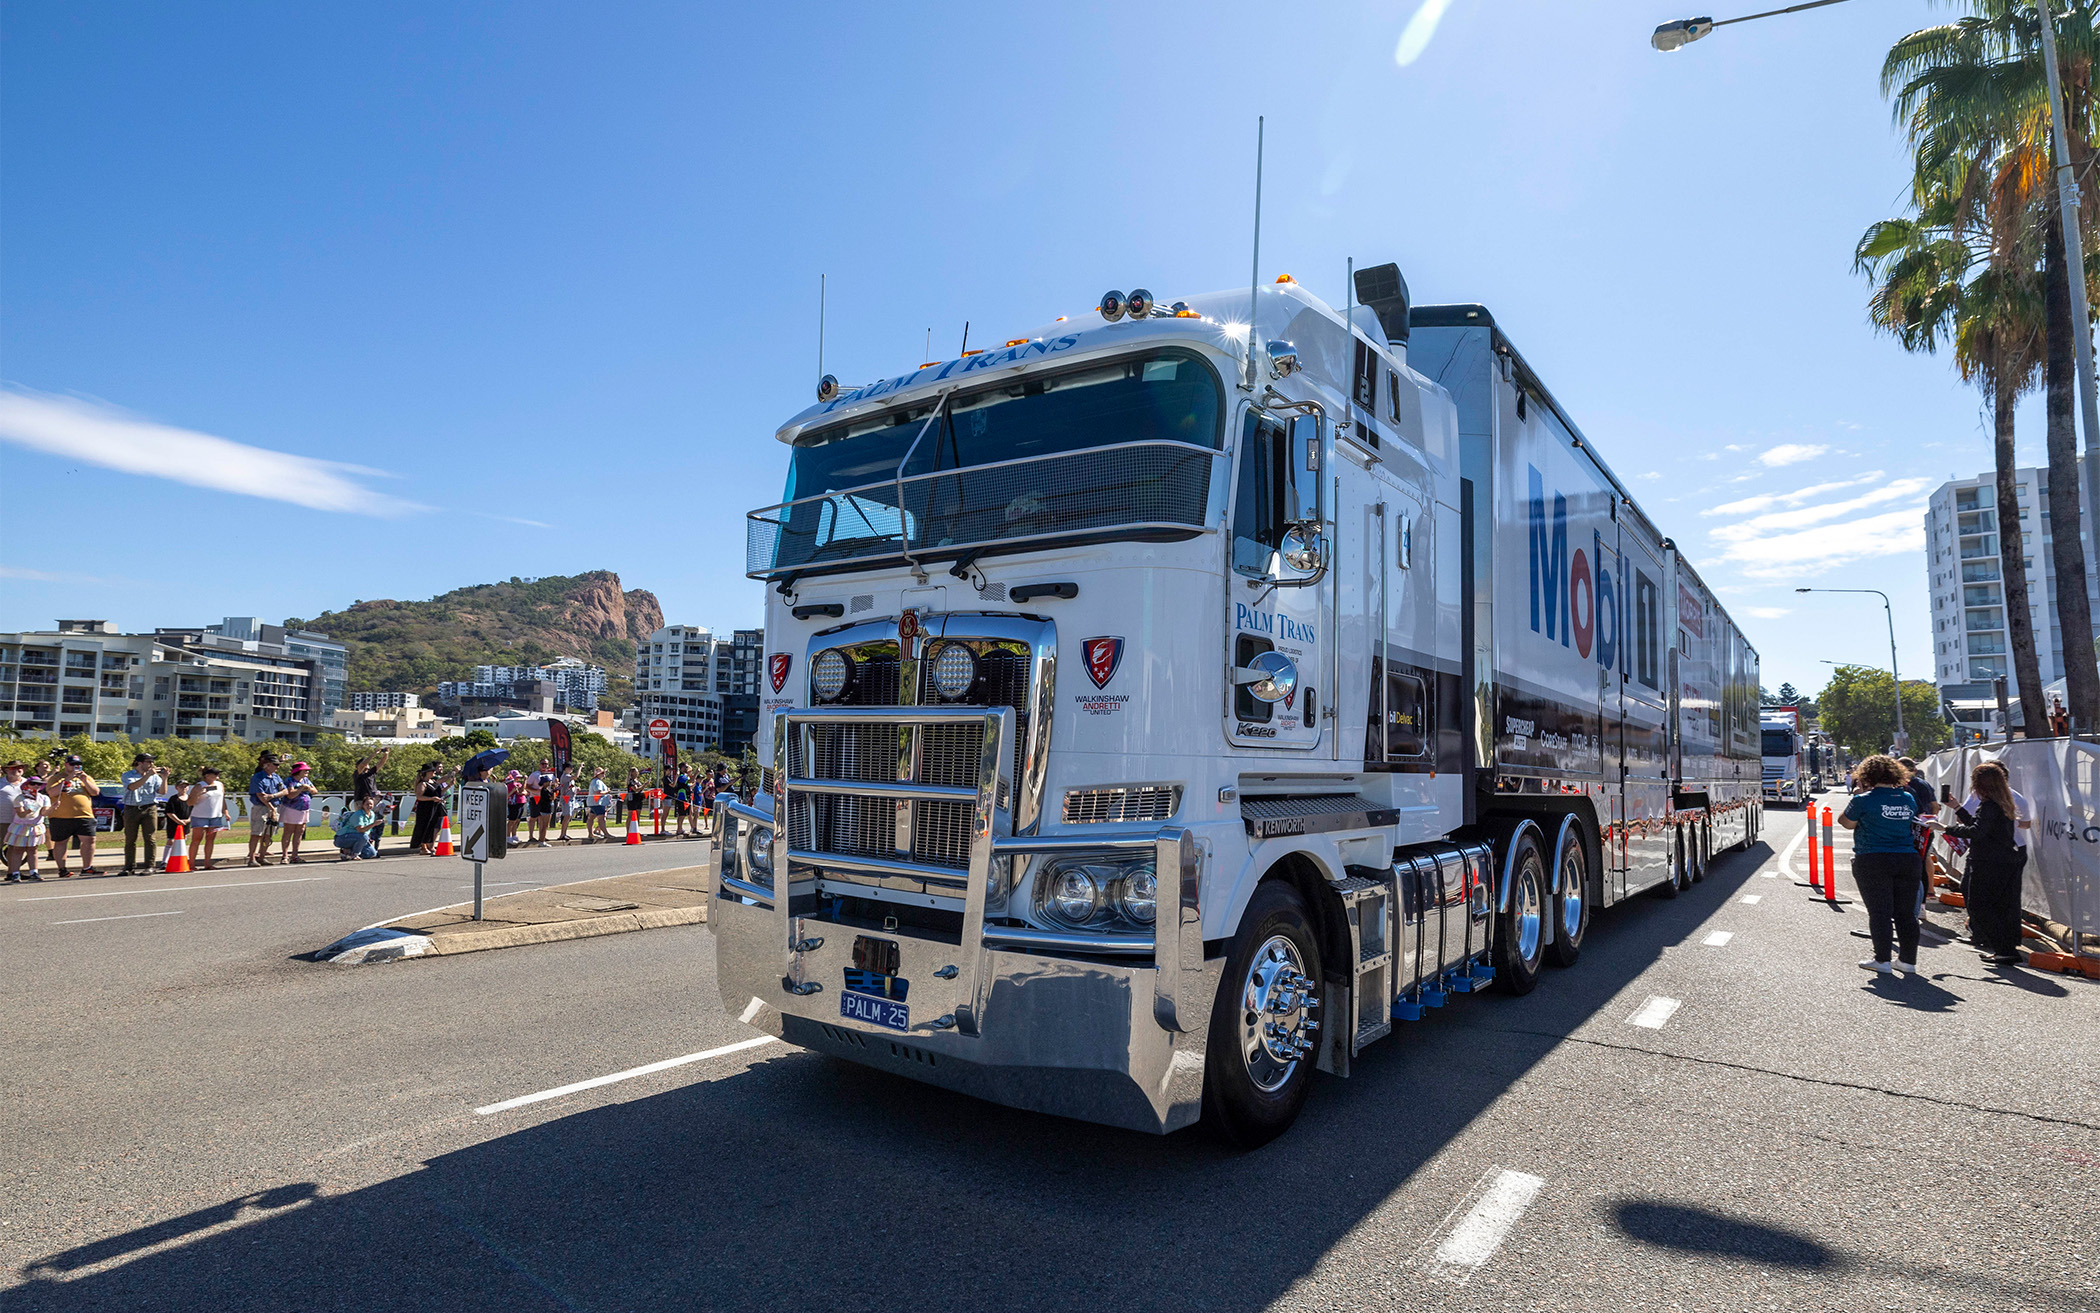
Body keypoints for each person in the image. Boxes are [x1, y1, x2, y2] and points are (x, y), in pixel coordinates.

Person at [1933, 761, 2027, 964]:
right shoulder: (2002, 802)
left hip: (1988, 861)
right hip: (2002, 860)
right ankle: (2006, 949)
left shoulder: (1989, 805)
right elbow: (1979, 826)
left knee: (1978, 906)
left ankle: (2002, 947)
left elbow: (1977, 832)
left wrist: (1944, 828)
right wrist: (1957, 808)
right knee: (2000, 905)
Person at [1838, 754, 1923, 976]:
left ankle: (1882, 959)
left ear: (1867, 776)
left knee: (1880, 912)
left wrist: (1856, 796)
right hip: (1907, 858)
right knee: (1906, 913)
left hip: (1873, 857)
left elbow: (1846, 823)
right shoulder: (1908, 798)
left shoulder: (1863, 800)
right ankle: (1908, 960)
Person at [46, 756, 102, 878]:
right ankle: (62, 869)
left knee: (89, 840)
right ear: (66, 765)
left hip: (84, 815)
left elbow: (95, 792)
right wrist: (68, 779)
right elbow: (52, 792)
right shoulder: (56, 778)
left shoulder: (85, 777)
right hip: (60, 816)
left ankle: (87, 868)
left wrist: (85, 780)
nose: (75, 766)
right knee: (61, 842)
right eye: (72, 764)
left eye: (78, 764)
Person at [119, 752, 163, 876]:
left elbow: (162, 791)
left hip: (149, 808)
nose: (152, 764)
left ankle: (150, 866)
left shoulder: (154, 776)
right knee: (130, 839)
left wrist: (165, 778)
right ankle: (129, 867)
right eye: (149, 762)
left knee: (150, 838)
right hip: (131, 809)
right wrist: (147, 776)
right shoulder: (128, 775)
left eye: (152, 762)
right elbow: (133, 787)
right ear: (139, 763)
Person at [245, 752, 285, 868]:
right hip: (261, 808)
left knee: (269, 834)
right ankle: (252, 858)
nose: (277, 767)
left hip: (274, 806)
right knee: (257, 833)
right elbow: (261, 795)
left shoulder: (277, 777)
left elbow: (285, 791)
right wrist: (271, 809)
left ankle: (262, 856)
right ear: (267, 765)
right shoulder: (257, 777)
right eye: (275, 764)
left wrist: (273, 796)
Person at [7, 775, 50, 881]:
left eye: (38, 784)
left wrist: (52, 808)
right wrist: (27, 811)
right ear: (27, 785)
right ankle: (15, 873)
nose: (36, 786)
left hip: (35, 827)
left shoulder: (43, 798)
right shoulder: (20, 798)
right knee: (17, 850)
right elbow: (20, 814)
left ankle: (34, 872)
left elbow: (44, 812)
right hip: (21, 827)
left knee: (33, 850)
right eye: (33, 784)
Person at [187, 766, 229, 869]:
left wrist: (226, 812)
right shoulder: (199, 786)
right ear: (207, 776)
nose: (217, 776)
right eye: (215, 774)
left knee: (210, 839)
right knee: (196, 839)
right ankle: (191, 863)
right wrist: (199, 793)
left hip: (215, 815)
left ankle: (207, 863)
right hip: (200, 815)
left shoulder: (220, 785)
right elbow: (189, 802)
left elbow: (222, 799)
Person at [277, 762, 317, 864]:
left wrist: (309, 788)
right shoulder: (290, 780)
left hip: (304, 809)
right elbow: (290, 795)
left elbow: (315, 791)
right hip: (291, 808)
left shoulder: (306, 780)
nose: (307, 772)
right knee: (288, 831)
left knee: (299, 832)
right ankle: (285, 856)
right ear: (298, 771)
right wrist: (300, 789)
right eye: (305, 770)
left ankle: (295, 855)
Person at [1, 761, 31, 882]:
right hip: (2, 819)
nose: (17, 770)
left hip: (21, 821)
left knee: (15, 847)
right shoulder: (0, 782)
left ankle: (13, 872)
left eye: (20, 767)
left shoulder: (28, 783)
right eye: (13, 768)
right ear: (6, 770)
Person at [410, 764, 448, 855]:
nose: (434, 772)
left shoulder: (434, 782)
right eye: (432, 771)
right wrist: (431, 799)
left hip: (434, 807)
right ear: (427, 772)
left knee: (431, 825)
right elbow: (419, 796)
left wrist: (448, 786)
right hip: (425, 808)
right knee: (424, 826)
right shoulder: (422, 784)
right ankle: (423, 846)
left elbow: (438, 792)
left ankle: (428, 844)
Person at [586, 768, 612, 842]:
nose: (604, 774)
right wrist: (607, 791)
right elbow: (598, 792)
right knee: (601, 818)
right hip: (598, 803)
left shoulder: (595, 781)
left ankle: (590, 834)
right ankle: (606, 833)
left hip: (593, 802)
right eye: (603, 773)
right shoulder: (597, 782)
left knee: (591, 817)